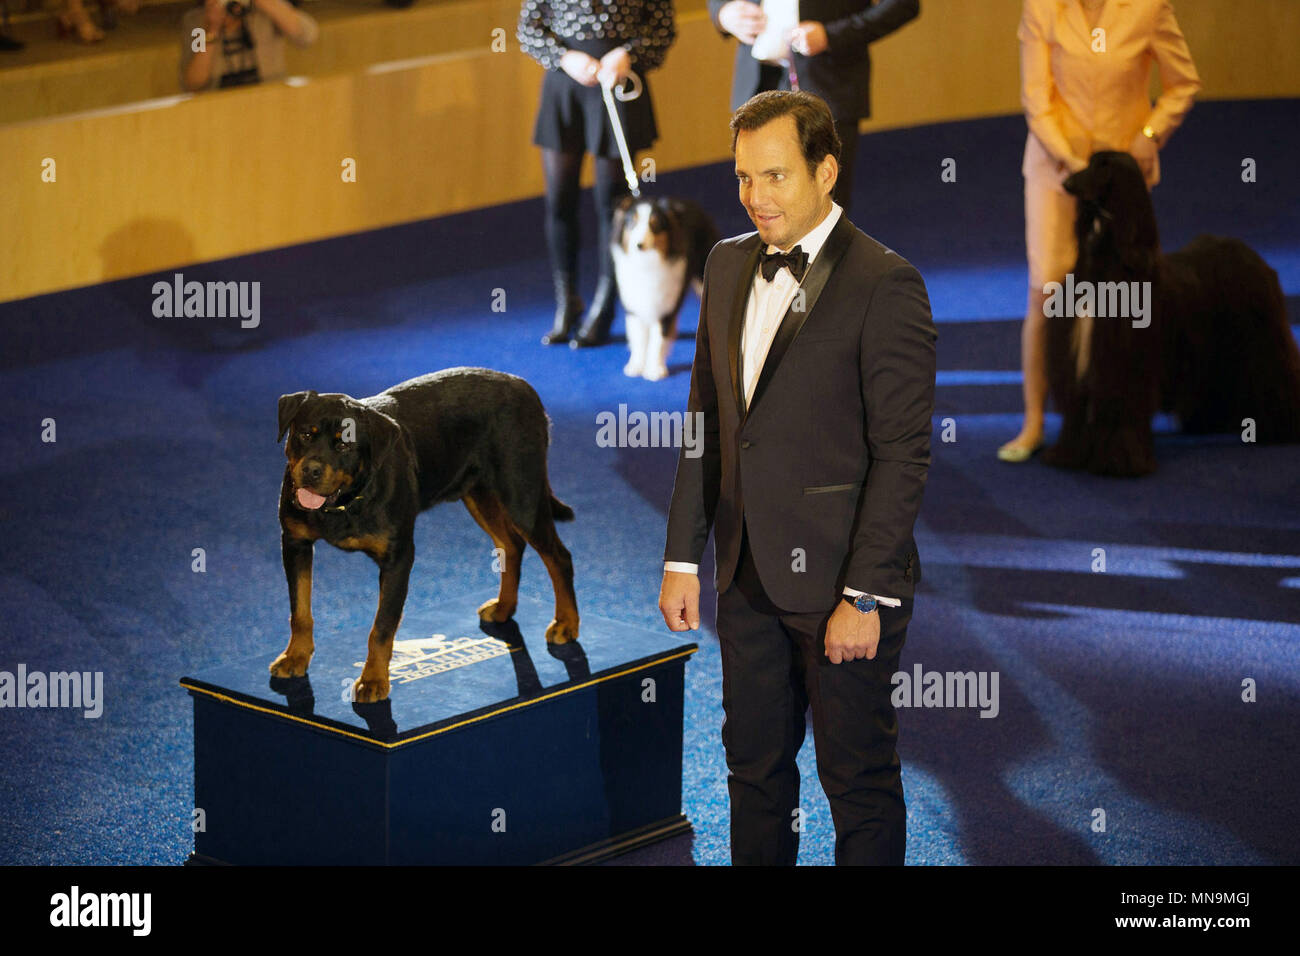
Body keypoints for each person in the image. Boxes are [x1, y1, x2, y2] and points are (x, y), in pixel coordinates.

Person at [659, 90, 936, 865]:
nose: (756, 197)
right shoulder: (723, 261)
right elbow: (706, 424)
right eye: (744, 177)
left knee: (858, 782)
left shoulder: (887, 284)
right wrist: (685, 556)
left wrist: (863, 596)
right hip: (743, 579)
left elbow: (902, 456)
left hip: (842, 589)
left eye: (775, 176)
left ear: (827, 171)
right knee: (753, 775)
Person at [1000, 0, 1199, 461]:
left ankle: (1122, 416)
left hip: (1120, 180)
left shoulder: (1149, 9)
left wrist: (1149, 136)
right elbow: (1036, 98)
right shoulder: (1041, 9)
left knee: (1126, 296)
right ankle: (1034, 421)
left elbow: (1183, 84)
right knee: (1049, 288)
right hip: (1056, 170)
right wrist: (1074, 165)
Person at [518, 0, 675, 348]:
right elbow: (528, 28)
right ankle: (568, 302)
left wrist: (628, 54)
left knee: (612, 204)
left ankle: (605, 306)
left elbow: (663, 29)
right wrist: (563, 56)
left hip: (617, 82)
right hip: (565, 84)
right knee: (559, 200)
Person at [706, 0, 919, 212]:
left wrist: (830, 35)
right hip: (759, 83)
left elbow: (903, 5)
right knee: (761, 203)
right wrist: (723, 12)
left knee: (824, 208)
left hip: (827, 82)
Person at [180, 0, 318, 92]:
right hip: (219, 111)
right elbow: (193, 82)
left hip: (271, 101)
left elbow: (307, 36)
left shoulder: (265, 10)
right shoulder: (197, 22)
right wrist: (211, 30)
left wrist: (267, 4)